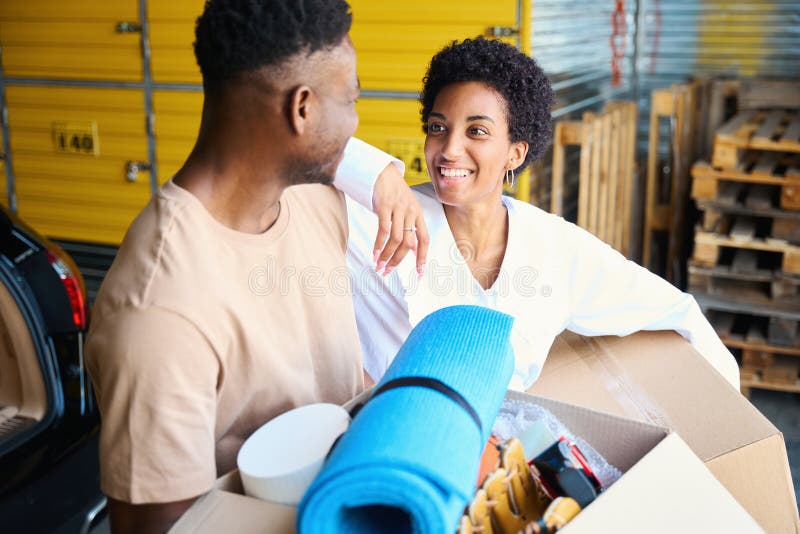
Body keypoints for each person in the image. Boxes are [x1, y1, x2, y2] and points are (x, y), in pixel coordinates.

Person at [84, 1, 428, 532]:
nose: (356, 122)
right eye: (353, 100)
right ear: (302, 109)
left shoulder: (313, 200)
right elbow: (162, 527)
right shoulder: (160, 313)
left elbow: (333, 376)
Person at [347, 37, 739, 391]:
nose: (449, 149)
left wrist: (732, 433)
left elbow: (677, 311)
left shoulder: (555, 247)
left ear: (515, 153)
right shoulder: (373, 221)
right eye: (438, 127)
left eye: (477, 131)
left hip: (508, 462)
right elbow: (292, 154)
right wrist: (379, 173)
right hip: (392, 447)